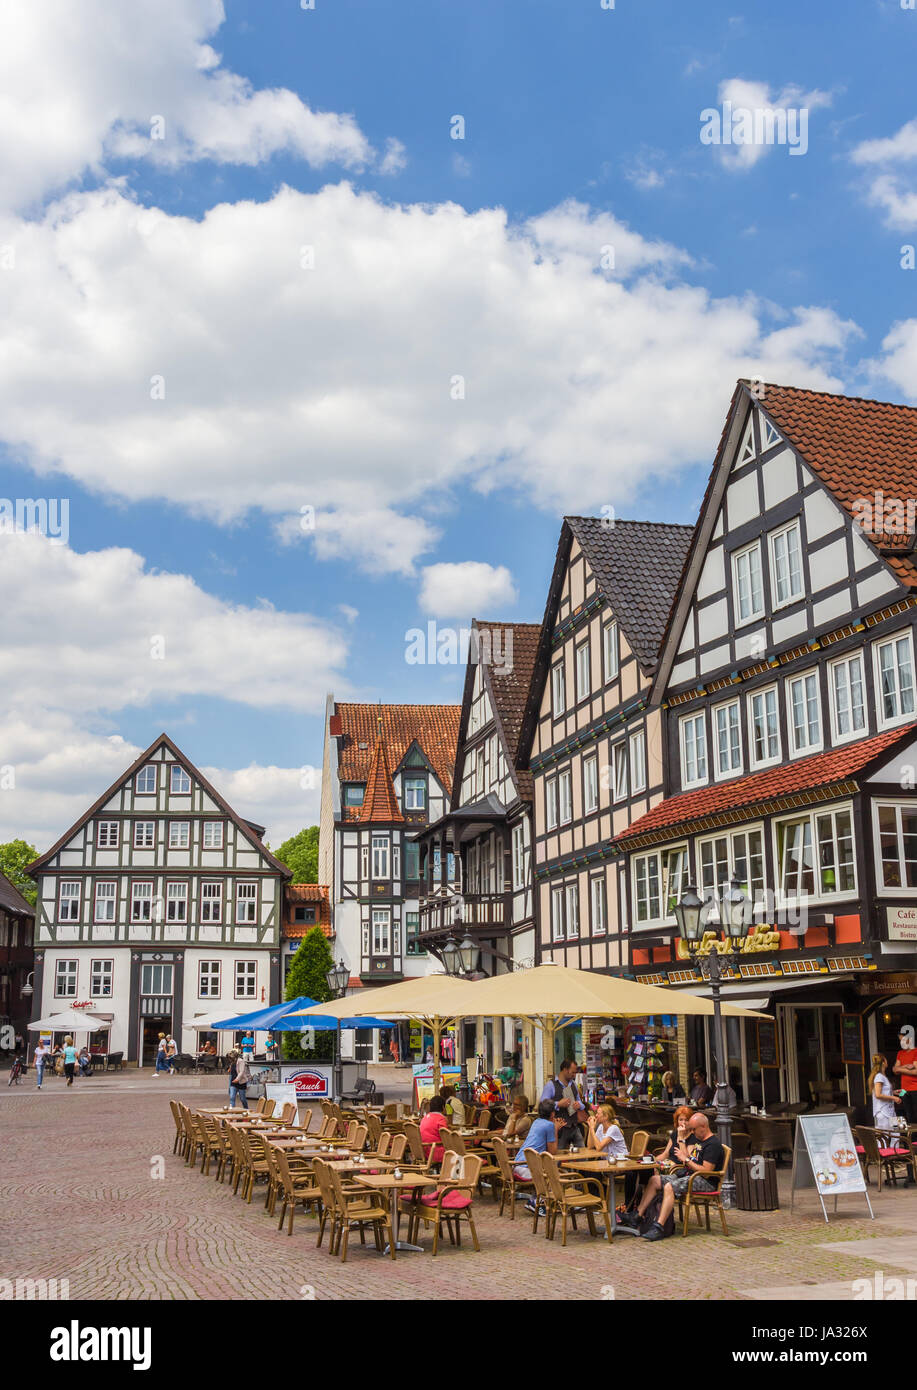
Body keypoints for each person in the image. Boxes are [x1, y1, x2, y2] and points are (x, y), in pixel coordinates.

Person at [626, 1111, 725, 1241]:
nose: (693, 1132)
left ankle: (659, 1227)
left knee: (669, 1187)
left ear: (703, 1127)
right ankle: (637, 1215)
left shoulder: (713, 1145)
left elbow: (706, 1172)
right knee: (654, 1180)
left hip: (706, 1181)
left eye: (694, 1129)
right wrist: (686, 1157)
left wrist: (686, 1160)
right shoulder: (700, 1141)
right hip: (691, 1175)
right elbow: (691, 1159)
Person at [514, 1100, 565, 1210]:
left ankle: (540, 1200)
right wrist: (555, 1129)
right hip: (527, 1168)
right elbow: (552, 1152)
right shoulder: (550, 1125)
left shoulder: (536, 1121)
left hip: (517, 1165)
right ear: (552, 1114)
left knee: (550, 1170)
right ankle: (537, 1202)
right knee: (554, 1175)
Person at [540, 1057, 586, 1149]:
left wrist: (579, 1105)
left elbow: (581, 1103)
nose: (574, 1075)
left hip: (573, 1125)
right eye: (572, 1072)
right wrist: (558, 1104)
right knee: (558, 1156)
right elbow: (542, 1105)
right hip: (559, 1128)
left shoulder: (573, 1085)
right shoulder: (551, 1085)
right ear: (565, 1070)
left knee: (582, 1151)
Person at [869, 1053, 901, 1131]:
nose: (887, 1061)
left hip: (890, 1111)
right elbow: (878, 1094)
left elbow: (883, 1091)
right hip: (883, 1111)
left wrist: (893, 1092)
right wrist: (893, 1098)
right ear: (883, 1062)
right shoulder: (879, 1076)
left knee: (896, 1133)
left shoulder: (883, 1076)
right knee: (884, 1136)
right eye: (886, 1060)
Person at [892, 1029, 917, 1127]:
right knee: (907, 1115)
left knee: (915, 1115)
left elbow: (916, 1071)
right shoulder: (900, 1053)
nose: (901, 1042)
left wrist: (899, 1068)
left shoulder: (915, 1051)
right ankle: (911, 1139)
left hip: (915, 1088)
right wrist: (906, 1066)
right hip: (904, 1090)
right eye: (900, 1040)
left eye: (903, 1040)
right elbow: (894, 1070)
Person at [419, 1095, 451, 1164]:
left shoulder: (425, 1118)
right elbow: (446, 1138)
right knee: (459, 1150)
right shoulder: (441, 1119)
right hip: (436, 1152)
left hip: (424, 1151)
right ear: (443, 1107)